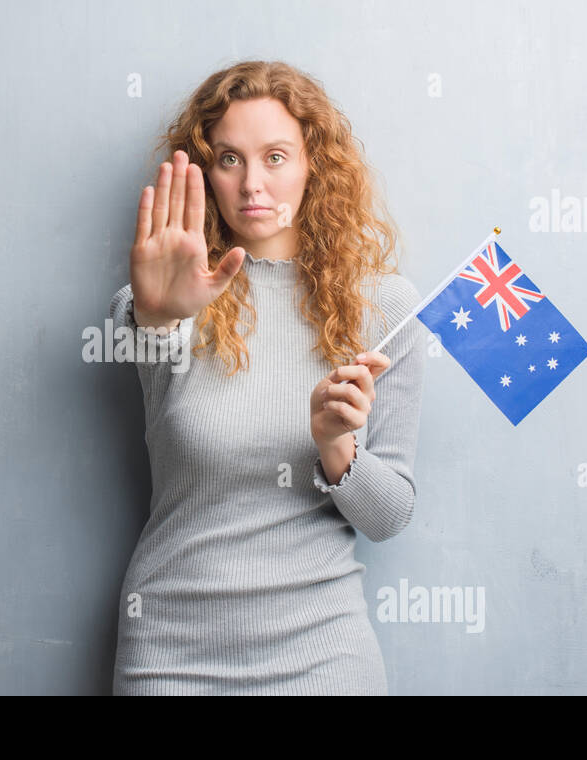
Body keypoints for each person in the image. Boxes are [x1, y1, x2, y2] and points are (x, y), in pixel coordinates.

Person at [109, 60, 427, 695]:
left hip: (322, 658)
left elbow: (388, 517)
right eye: (229, 160)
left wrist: (338, 447)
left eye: (276, 157)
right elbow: (143, 333)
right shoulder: (156, 301)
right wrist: (159, 314)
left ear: (315, 165)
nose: (253, 183)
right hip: (171, 653)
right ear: (204, 173)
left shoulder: (383, 308)